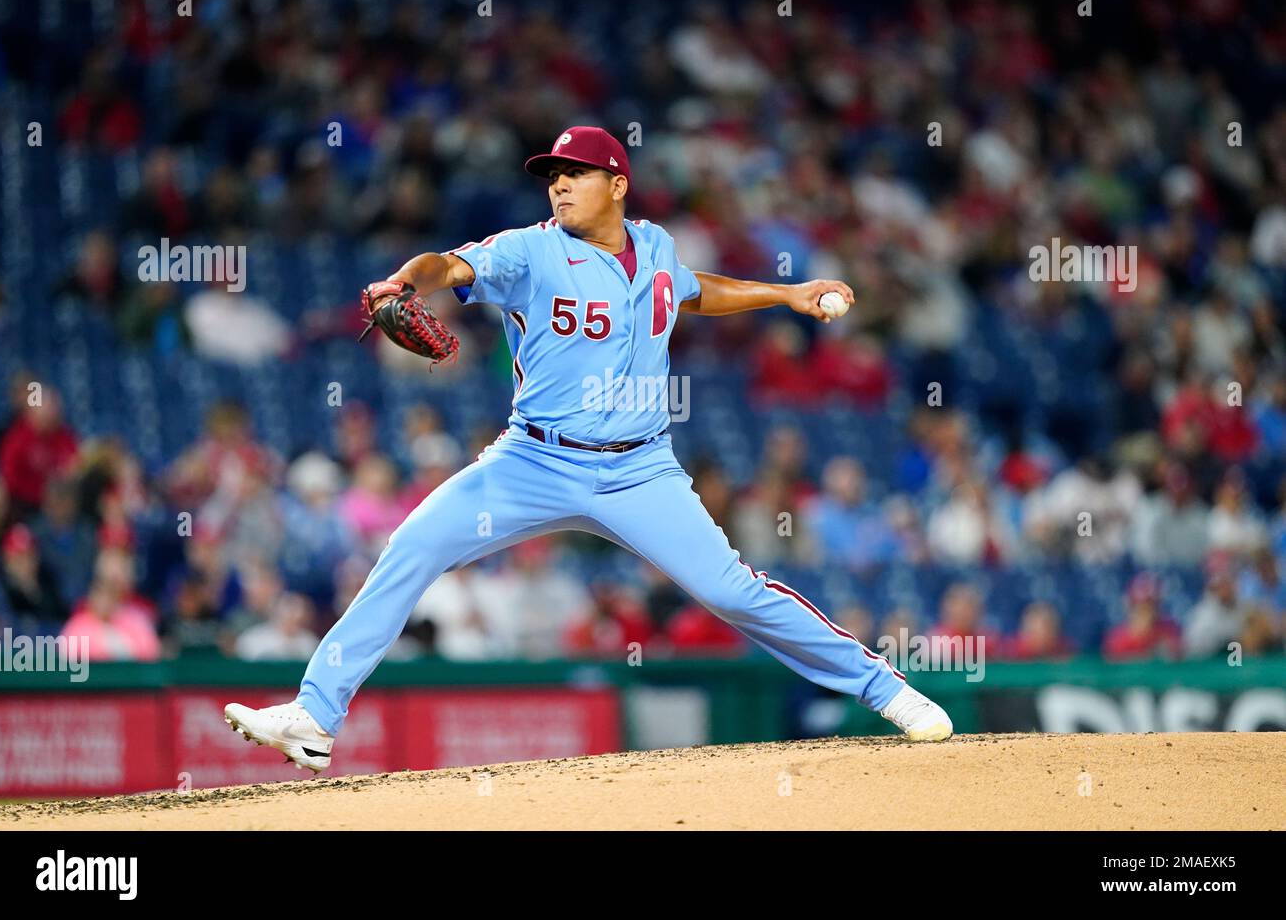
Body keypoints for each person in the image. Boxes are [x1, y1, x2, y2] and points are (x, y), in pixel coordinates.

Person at [225, 126, 951, 772]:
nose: (560, 183)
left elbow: (695, 292)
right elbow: (444, 266)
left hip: (641, 469)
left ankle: (888, 691)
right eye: (552, 174)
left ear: (618, 186)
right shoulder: (530, 251)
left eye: (575, 172)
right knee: (412, 546)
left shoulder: (659, 246)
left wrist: (784, 295)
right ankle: (316, 715)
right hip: (533, 462)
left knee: (734, 590)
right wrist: (401, 281)